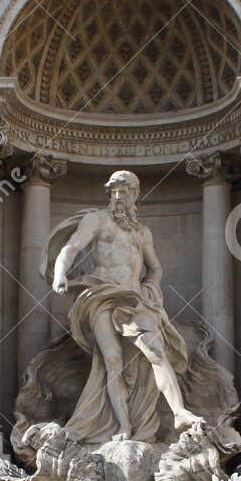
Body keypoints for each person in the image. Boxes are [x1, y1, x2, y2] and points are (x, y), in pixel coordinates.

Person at [46, 170, 202, 444]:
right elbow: (70, 248)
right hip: (101, 296)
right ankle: (123, 426)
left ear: (135, 196)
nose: (120, 196)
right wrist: (60, 273)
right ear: (109, 194)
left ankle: (179, 412)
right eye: (115, 191)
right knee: (113, 361)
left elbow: (155, 267)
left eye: (126, 191)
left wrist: (150, 288)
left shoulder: (142, 232)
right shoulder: (96, 220)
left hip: (133, 299)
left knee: (154, 349)